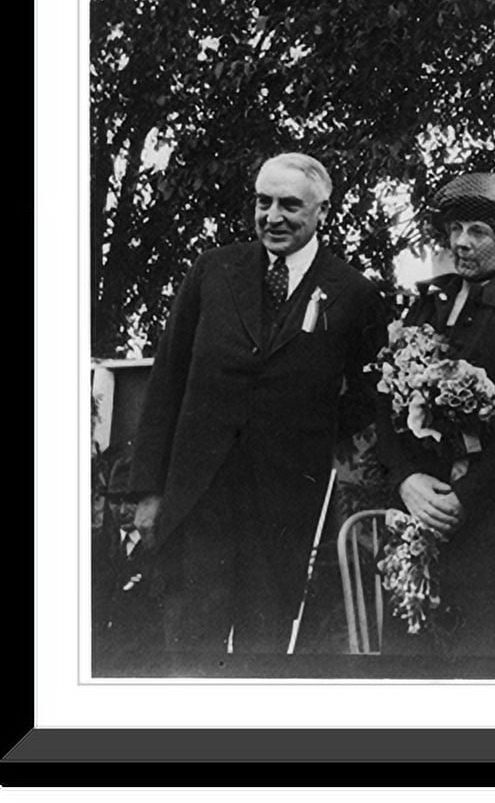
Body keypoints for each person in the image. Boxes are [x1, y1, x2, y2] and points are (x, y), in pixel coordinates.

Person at [129, 152, 386, 657]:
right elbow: (167, 380)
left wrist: (319, 437)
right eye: (263, 202)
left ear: (322, 213)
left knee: (264, 648)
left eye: (289, 205)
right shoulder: (213, 271)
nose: (272, 216)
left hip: (285, 502)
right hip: (200, 494)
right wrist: (148, 490)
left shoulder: (353, 293)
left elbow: (369, 389)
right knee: (190, 644)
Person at [376, 171, 495, 658]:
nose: (461, 242)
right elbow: (386, 406)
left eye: (477, 231)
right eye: (456, 228)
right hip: (422, 532)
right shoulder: (424, 308)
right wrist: (405, 481)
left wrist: (464, 498)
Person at [92, 456, 163, 674]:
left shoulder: (160, 553)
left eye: (130, 500)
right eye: (115, 500)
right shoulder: (95, 547)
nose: (122, 511)